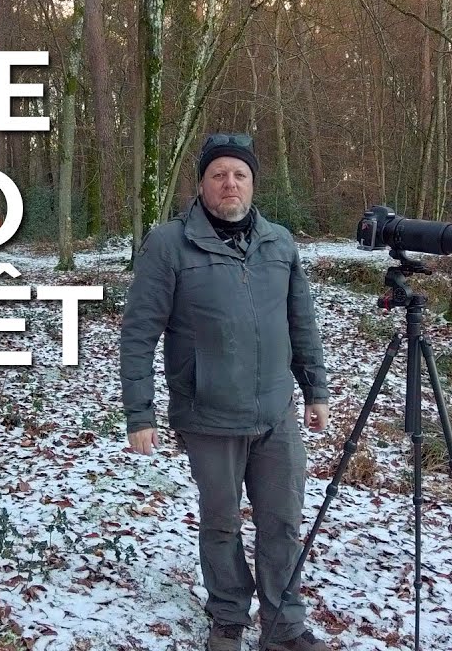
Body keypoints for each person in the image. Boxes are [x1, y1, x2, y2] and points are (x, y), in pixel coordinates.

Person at [120, 132, 331, 651]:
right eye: (219, 175)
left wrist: (315, 389)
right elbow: (139, 331)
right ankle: (229, 617)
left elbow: (300, 320)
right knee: (221, 524)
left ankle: (284, 625)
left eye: (239, 174)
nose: (229, 183)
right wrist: (139, 412)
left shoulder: (279, 242)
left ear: (253, 184)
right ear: (202, 184)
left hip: (276, 412)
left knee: (281, 523)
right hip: (209, 414)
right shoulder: (169, 244)